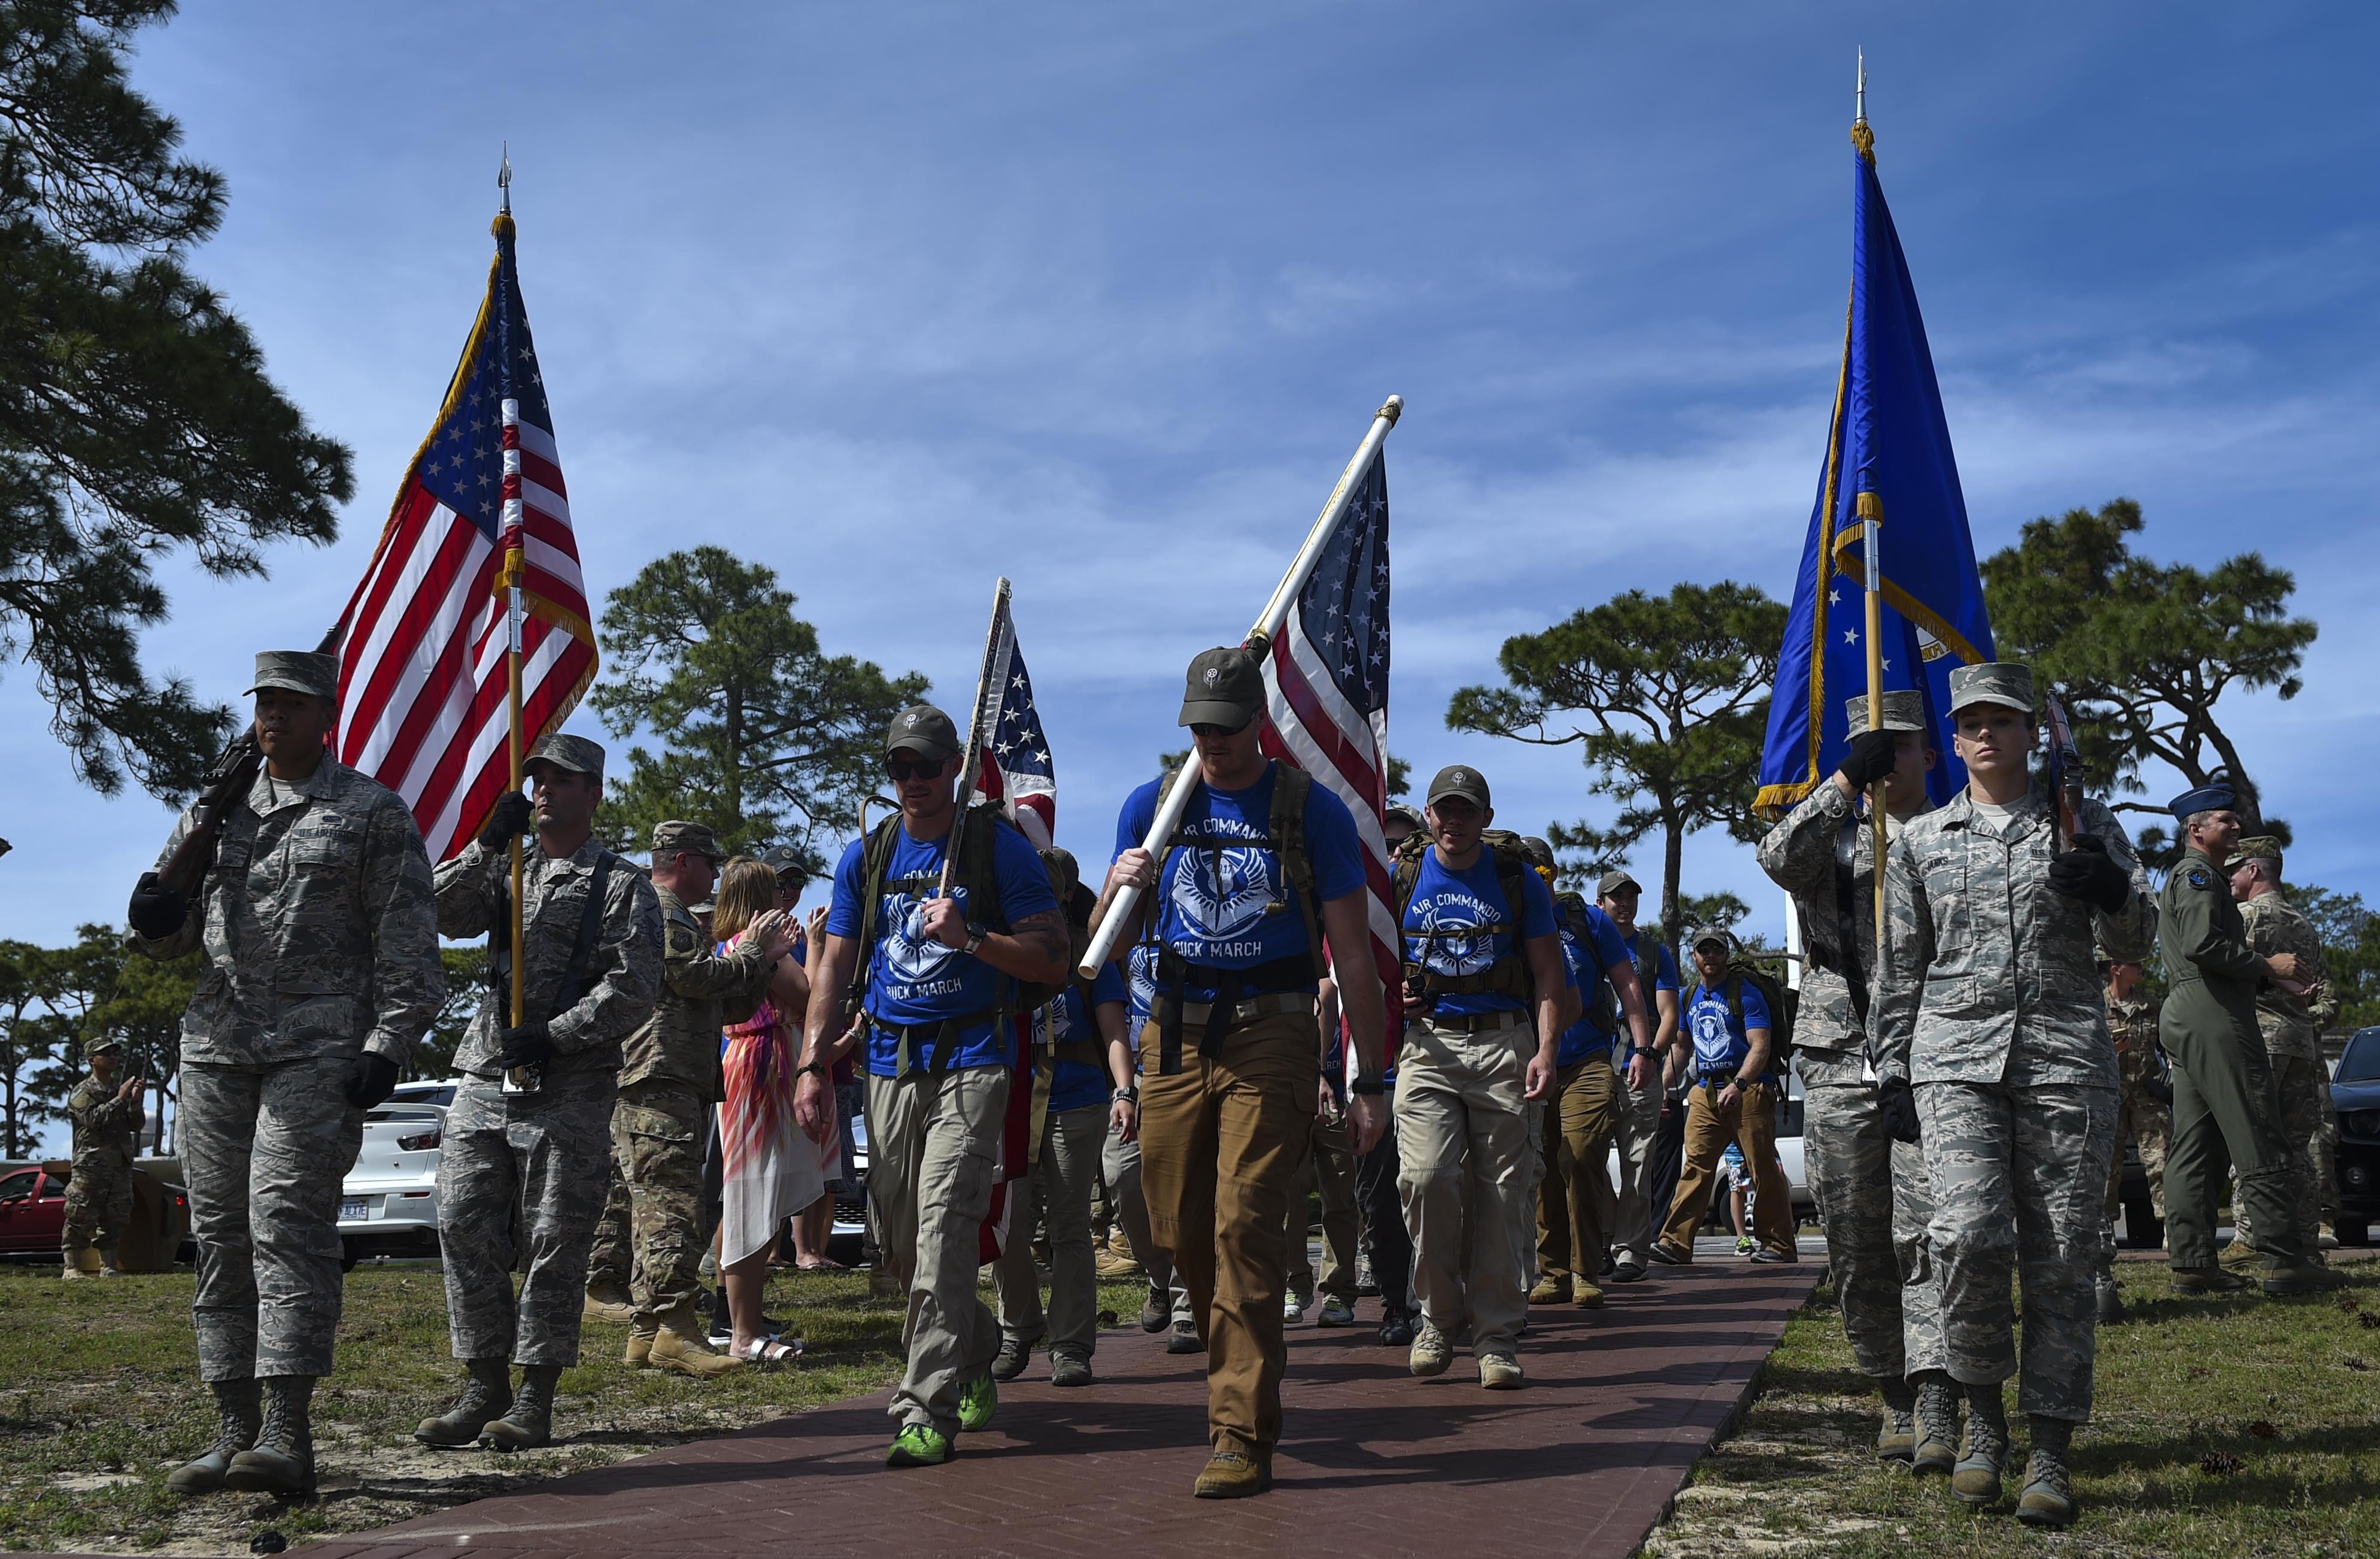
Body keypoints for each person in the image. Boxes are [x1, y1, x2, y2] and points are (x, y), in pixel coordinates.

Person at [128, 650, 442, 1497]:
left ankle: (286, 1431)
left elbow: (411, 948)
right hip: (217, 1046)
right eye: (264, 703)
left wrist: (389, 1044)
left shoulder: (372, 813)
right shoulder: (216, 809)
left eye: (291, 705)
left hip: (318, 1049)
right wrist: (154, 913)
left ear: (325, 717)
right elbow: (168, 936)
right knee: (222, 1237)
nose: (274, 717)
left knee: (284, 1225)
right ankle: (230, 1431)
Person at [1095, 647, 1387, 1498]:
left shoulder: (1309, 811)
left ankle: (1240, 1429)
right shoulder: (1153, 808)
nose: (1212, 745)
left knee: (1246, 1228)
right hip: (1176, 1035)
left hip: (1275, 1032)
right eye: (1198, 731)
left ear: (1256, 723)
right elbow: (1111, 945)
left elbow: (1356, 956)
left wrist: (1369, 1079)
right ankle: (1235, 1350)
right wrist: (1125, 888)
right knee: (1176, 1228)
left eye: (1225, 730)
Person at [1874, 661, 2155, 1528]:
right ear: (1949, 742)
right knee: (1966, 1236)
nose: (1986, 735)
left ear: (2034, 732)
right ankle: (1983, 1421)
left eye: (2003, 720)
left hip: (2066, 1059)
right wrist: (1892, 1073)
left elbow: (2139, 934)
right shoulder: (1920, 840)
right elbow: (1901, 968)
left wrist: (2106, 887)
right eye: (1971, 724)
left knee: (2066, 1253)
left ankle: (2049, 1453)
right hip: (1953, 1059)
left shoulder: (2084, 821)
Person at [795, 705, 1068, 1470]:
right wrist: (814, 1064)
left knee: (947, 1229)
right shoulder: (868, 854)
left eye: (925, 765)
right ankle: (976, 1345)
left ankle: (924, 1408)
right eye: (899, 768)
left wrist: (971, 936)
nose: (912, 781)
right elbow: (837, 965)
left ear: (956, 767)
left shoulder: (996, 849)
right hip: (887, 1062)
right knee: (902, 1249)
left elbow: (1053, 959)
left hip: (974, 1058)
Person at [414, 733, 662, 1448]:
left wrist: (558, 1033)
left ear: (595, 793)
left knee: (555, 1239)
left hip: (570, 1083)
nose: (546, 788)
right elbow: (437, 912)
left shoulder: (620, 884)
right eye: (538, 777)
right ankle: (481, 1383)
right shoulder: (507, 867)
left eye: (564, 779)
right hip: (487, 1071)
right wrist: (488, 845)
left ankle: (534, 1397)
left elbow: (635, 988)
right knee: (463, 1224)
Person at [1756, 689, 1948, 1464]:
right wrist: (1840, 783)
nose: (1886, 758)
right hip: (1841, 1051)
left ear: (1929, 755)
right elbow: (1776, 860)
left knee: (1935, 1233)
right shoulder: (1833, 834)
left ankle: (1937, 1387)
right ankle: (1893, 1391)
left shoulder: (1947, 834)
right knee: (1856, 1232)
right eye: (1872, 744)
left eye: (1898, 744)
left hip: (1936, 1048)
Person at [1390, 766, 1571, 1391]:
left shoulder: (1517, 880)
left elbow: (1551, 976)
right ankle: (1437, 1320)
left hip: (1503, 1046)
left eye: (1466, 810)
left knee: (1502, 1193)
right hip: (1427, 1050)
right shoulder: (1402, 876)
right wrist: (1396, 1001)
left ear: (1485, 819)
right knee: (1425, 1178)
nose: (1454, 820)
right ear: (1428, 814)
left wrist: (1545, 1050)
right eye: (1444, 809)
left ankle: (1494, 1337)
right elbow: (1366, 959)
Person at [598, 821, 793, 1379]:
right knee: (673, 1212)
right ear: (683, 862)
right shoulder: (661, 908)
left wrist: (763, 960)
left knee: (657, 1208)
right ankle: (676, 1332)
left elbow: (724, 1007)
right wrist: (756, 950)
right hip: (659, 1077)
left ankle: (646, 1331)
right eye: (708, 864)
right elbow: (693, 977)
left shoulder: (668, 912)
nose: (714, 876)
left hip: (671, 1075)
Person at [2157, 795, 2344, 1297]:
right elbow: (2201, 944)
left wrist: (2264, 981)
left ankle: (2194, 1262)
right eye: (2225, 820)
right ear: (2196, 830)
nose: (2236, 824)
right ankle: (2286, 1259)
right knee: (2258, 1128)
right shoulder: (2199, 876)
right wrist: (2267, 966)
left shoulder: (2198, 876)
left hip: (2193, 1008)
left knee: (2197, 1143)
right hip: (2214, 1012)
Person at [992, 848, 1134, 1388]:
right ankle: (1018, 1327)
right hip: (1009, 1102)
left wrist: (1125, 1090)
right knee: (1006, 1223)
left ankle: (1071, 1345)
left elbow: (1114, 1028)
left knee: (1068, 1226)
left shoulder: (1089, 954)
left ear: (1066, 896)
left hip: (1076, 1100)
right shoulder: (1004, 951)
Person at [1531, 838, 1655, 1310]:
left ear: (1555, 873)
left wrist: (1642, 1048)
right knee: (1543, 1162)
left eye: (1543, 870)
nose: (1536, 878)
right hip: (1530, 1064)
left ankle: (1586, 1270)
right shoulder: (1510, 919)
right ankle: (1555, 1272)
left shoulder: (1587, 919)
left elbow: (1626, 981)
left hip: (1587, 1060)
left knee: (1580, 1155)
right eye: (1527, 870)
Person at [712, 857, 821, 1363]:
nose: (785, 898)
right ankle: (743, 1333)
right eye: (776, 890)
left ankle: (745, 1326)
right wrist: (815, 947)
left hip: (755, 1061)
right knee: (750, 1197)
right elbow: (810, 995)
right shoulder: (760, 949)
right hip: (758, 1067)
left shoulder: (731, 946)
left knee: (756, 1197)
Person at [1651, 928, 1796, 1267]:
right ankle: (1675, 1243)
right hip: (1705, 1091)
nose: (1711, 956)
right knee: (1696, 1166)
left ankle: (1778, 1244)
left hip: (1749, 1089)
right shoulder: (1689, 997)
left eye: (1717, 949)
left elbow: (1760, 1045)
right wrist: (1664, 1088)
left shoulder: (1745, 993)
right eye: (1704, 950)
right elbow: (1683, 1047)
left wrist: (1741, 1084)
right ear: (1694, 955)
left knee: (1762, 1168)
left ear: (1726, 954)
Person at [2223, 838, 2336, 1270]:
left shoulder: (2247, 917)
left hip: (2260, 1042)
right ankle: (2305, 1242)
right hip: (2301, 1042)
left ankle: (2251, 1242)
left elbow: (2231, 971)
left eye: (2235, 869)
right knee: (2297, 1148)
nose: (2229, 878)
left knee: (2252, 1139)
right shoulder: (2303, 923)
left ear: (2255, 871)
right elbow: (2318, 990)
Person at [1101, 932, 1198, 1351]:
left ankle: (1187, 1306)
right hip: (1139, 1074)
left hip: (1191, 1066)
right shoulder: (1127, 926)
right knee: (1121, 1176)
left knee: (1188, 1190)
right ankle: (1159, 1274)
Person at [1355, 803, 1425, 1346]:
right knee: (1379, 1197)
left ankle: (1448, 1298)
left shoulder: (1436, 907)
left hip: (1432, 1064)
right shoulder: (1356, 913)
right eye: (1386, 846)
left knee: (1435, 1187)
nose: (1394, 855)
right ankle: (1397, 1303)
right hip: (1373, 1070)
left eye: (1405, 845)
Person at [1594, 869, 1682, 1282]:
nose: (1624, 904)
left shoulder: (1652, 951)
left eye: (1631, 897)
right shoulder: (1587, 941)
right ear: (1601, 904)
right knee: (1581, 1158)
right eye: (1616, 897)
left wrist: (1650, 1055)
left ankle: (1630, 1251)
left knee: (1638, 1161)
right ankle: (1602, 1238)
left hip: (1639, 1063)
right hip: (1592, 1063)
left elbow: (1669, 1014)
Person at [1283, 976, 1362, 1328]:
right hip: (1291, 1092)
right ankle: (1294, 1283)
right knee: (1288, 1192)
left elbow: (1327, 991)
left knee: (1340, 1195)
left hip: (1339, 1093)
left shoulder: (1339, 955)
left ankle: (1338, 1292)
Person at [2099, 957, 2169, 1313]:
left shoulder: (2151, 1004)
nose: (2142, 966)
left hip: (2144, 1094)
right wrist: (2109, 1050)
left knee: (2162, 1163)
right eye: (2133, 962)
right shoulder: (2097, 1003)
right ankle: (2103, 1238)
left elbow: (2166, 1046)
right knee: (2105, 1171)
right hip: (2110, 1095)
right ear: (2115, 968)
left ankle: (2174, 1233)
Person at [62, 1037, 145, 1279]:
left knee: (115, 1218)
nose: (112, 1057)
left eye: (115, 1053)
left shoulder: (118, 1089)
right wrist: (120, 1099)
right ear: (91, 1060)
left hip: (119, 1166)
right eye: (105, 1053)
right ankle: (72, 1267)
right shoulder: (82, 1091)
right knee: (80, 1215)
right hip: (91, 1165)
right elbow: (92, 1120)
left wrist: (135, 1101)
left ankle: (108, 1267)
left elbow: (135, 1124)